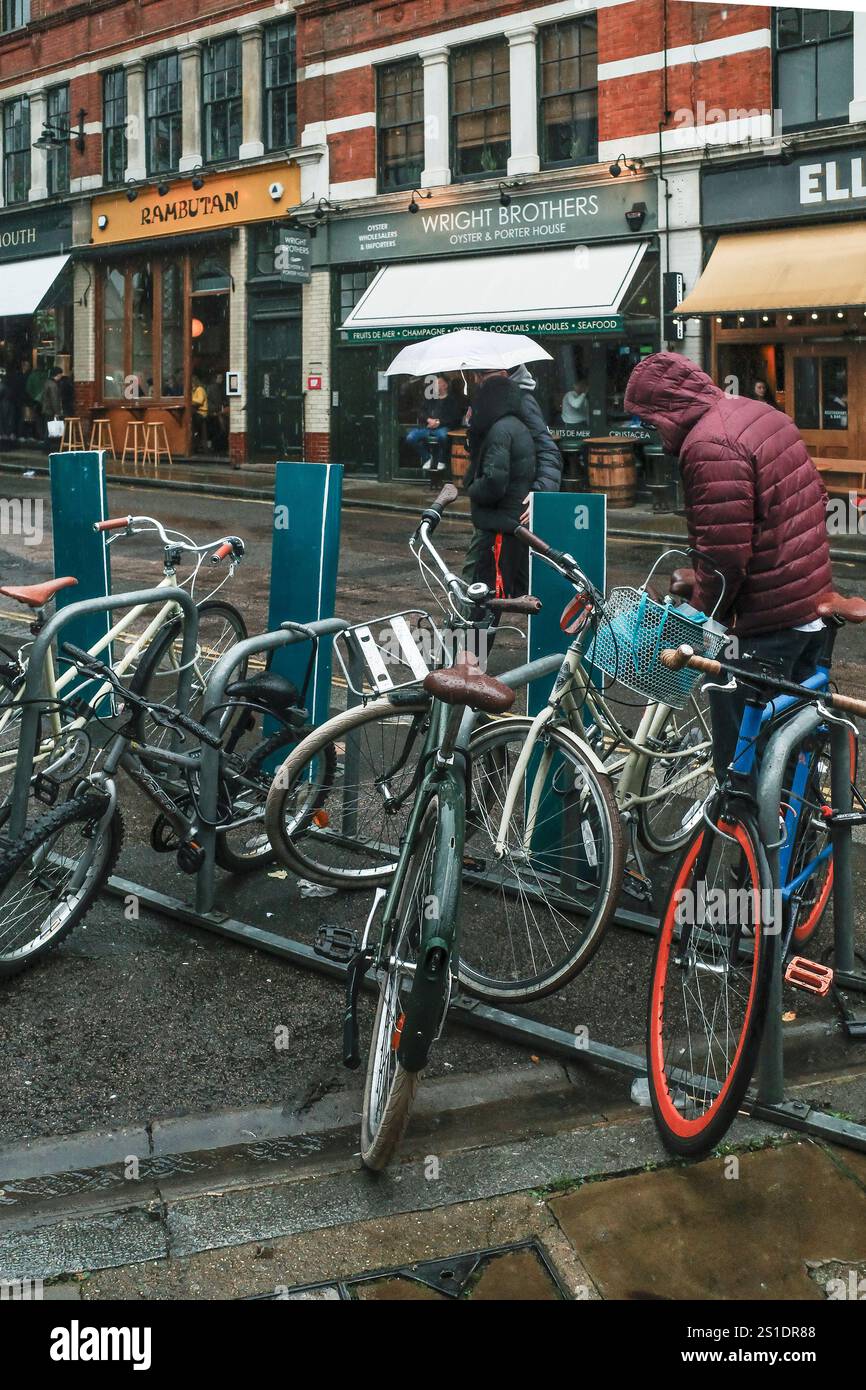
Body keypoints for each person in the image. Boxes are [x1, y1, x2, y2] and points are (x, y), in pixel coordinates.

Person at [624, 351, 832, 780]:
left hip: (765, 621)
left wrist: (702, 618)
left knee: (741, 763)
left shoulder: (708, 445)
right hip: (808, 606)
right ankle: (793, 835)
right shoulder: (758, 414)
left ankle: (742, 833)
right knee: (790, 748)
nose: (649, 431)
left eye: (648, 419)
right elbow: (814, 496)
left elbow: (725, 560)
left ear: (666, 407)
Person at [462, 364, 562, 583]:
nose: (478, 380)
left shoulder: (521, 401)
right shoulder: (492, 400)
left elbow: (548, 450)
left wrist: (540, 494)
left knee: (480, 577)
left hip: (508, 507)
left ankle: (472, 616)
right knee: (494, 576)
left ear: (504, 374)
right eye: (474, 375)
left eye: (483, 374)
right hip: (495, 507)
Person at [464, 374, 535, 598]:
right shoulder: (516, 426)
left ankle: (474, 634)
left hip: (496, 525)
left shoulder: (499, 431)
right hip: (510, 523)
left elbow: (494, 482)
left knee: (478, 591)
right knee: (500, 590)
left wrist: (472, 487)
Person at [406, 375, 465, 472]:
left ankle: (441, 460)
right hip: (427, 427)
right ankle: (428, 458)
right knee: (411, 437)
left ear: (445, 385)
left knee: (443, 437)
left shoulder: (452, 400)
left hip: (442, 428)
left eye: (438, 383)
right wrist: (429, 420)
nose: (435, 385)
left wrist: (439, 422)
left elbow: (455, 417)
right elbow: (421, 412)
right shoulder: (430, 399)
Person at [40, 368, 65, 435]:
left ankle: (47, 444)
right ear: (58, 374)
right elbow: (54, 399)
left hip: (46, 409)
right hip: (51, 410)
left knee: (48, 428)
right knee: (50, 430)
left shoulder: (47, 382)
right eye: (61, 374)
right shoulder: (53, 385)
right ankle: (48, 444)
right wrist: (57, 412)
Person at [191, 373, 209, 452]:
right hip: (197, 412)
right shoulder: (194, 390)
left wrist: (191, 401)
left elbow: (200, 401)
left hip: (202, 413)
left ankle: (196, 443)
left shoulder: (200, 389)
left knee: (192, 422)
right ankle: (196, 442)